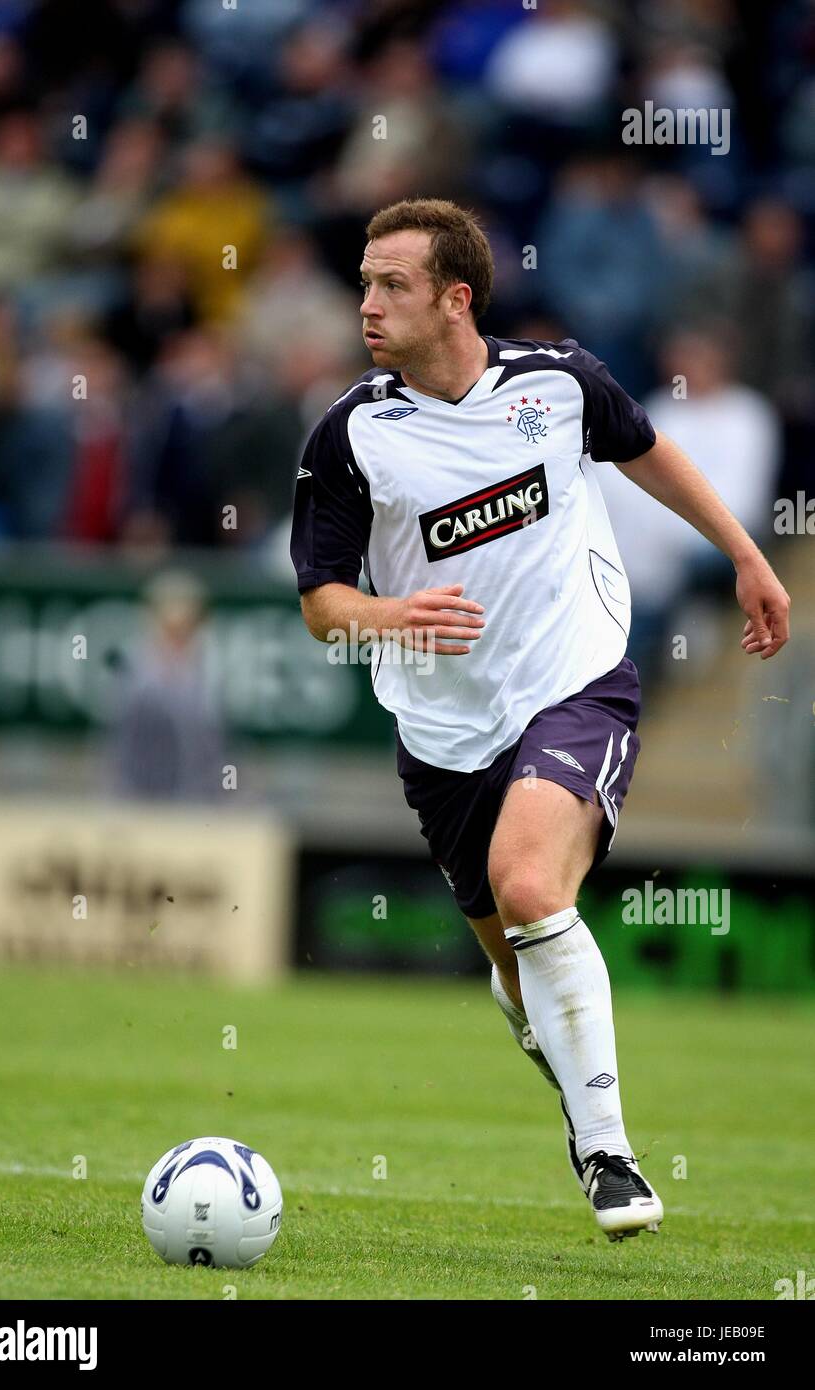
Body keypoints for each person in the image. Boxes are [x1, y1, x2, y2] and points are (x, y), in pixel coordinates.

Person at [289, 199, 790, 1241]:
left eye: (392, 284)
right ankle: (559, 1050)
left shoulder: (557, 384)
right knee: (516, 971)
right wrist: (390, 615)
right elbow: (321, 608)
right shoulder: (352, 435)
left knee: (528, 884)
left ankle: (604, 1150)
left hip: (574, 675)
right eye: (363, 283)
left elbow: (643, 449)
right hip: (441, 735)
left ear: (454, 298)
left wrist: (744, 552)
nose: (367, 304)